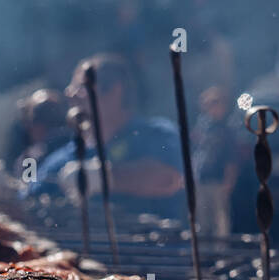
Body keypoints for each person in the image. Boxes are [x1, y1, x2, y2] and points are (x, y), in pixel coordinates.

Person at [25, 53, 185, 223]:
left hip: (157, 247)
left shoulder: (157, 134)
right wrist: (2, 193)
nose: (69, 94)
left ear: (115, 91)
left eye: (80, 87)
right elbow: (28, 204)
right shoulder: (65, 157)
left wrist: (102, 176)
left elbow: (169, 179)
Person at [192, 86, 239, 238]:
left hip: (218, 179)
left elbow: (231, 157)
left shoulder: (226, 129)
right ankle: (205, 248)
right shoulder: (203, 127)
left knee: (220, 217)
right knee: (202, 215)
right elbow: (198, 152)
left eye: (215, 104)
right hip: (202, 177)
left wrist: (229, 179)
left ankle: (221, 248)